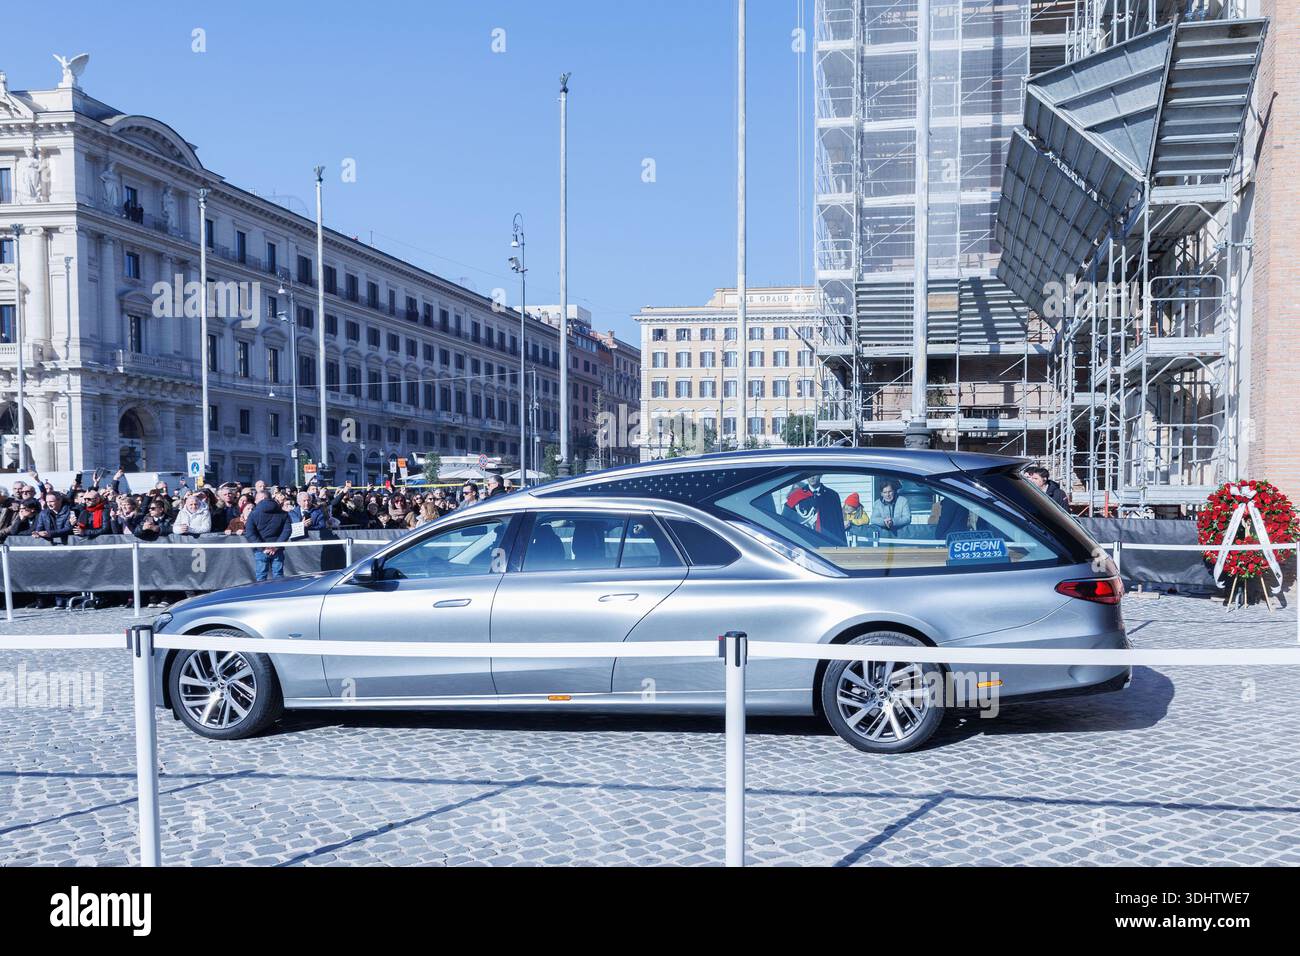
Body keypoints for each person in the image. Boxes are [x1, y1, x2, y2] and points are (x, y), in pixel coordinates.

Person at [782, 473, 846, 545]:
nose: (812, 477)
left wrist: (842, 545)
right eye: (809, 475)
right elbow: (785, 520)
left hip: (826, 542)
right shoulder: (796, 496)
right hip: (804, 542)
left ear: (821, 475)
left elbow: (838, 523)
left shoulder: (832, 495)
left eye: (815, 474)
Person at [245, 490, 292, 581]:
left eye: (256, 499)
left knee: (261, 577)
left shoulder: (253, 514)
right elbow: (287, 531)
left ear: (262, 498)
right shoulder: (283, 513)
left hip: (261, 550)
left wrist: (263, 548)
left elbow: (250, 533)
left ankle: (261, 594)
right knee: (278, 576)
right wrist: (276, 546)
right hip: (277, 550)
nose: (255, 501)